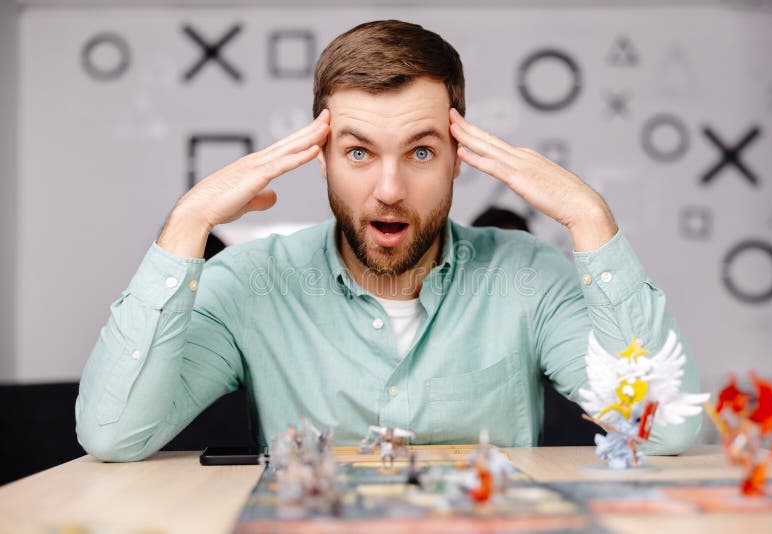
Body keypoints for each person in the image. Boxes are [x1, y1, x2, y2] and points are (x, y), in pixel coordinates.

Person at [75, 20, 701, 462]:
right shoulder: (250, 282)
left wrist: (591, 218)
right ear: (320, 158)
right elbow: (112, 434)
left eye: (422, 151)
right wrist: (187, 223)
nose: (391, 188)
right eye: (358, 153)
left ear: (460, 158)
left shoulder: (530, 276)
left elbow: (668, 429)